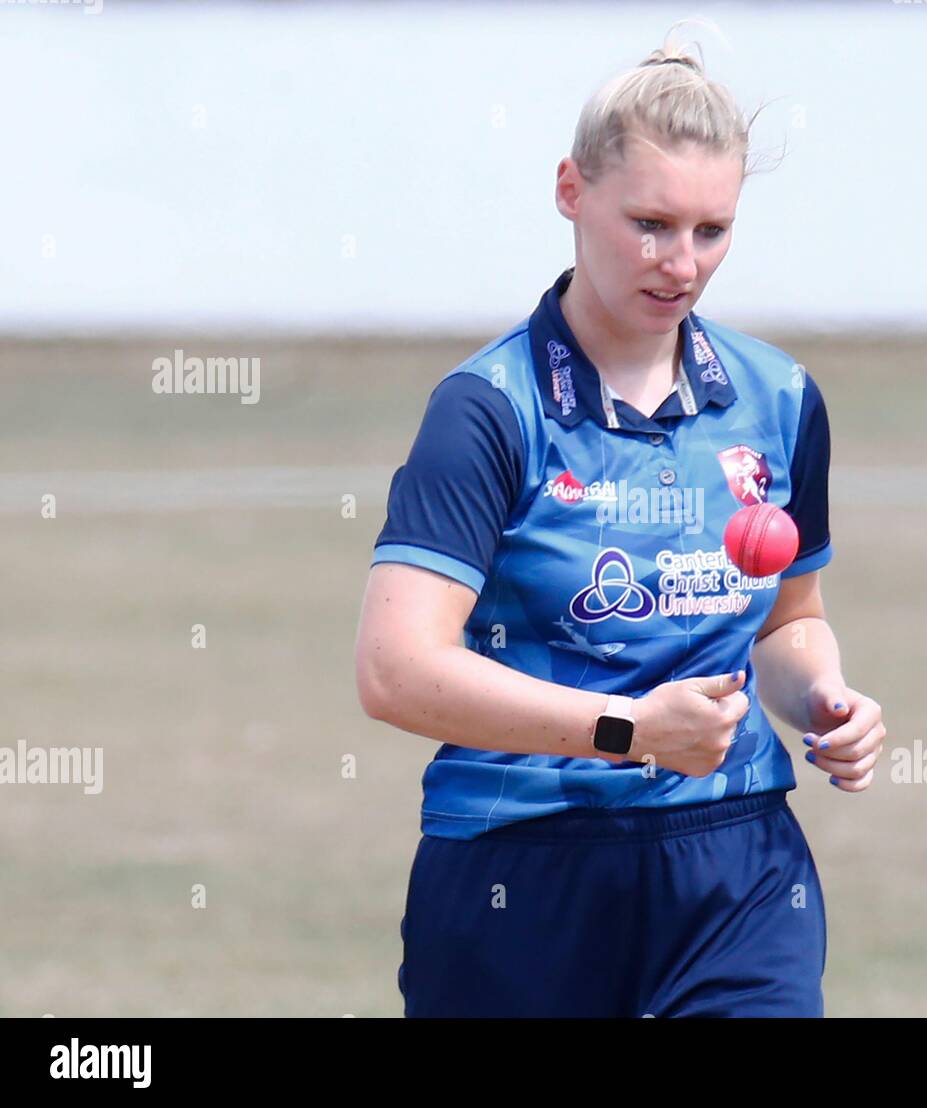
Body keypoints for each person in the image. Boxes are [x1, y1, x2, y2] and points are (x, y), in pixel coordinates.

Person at [354, 29, 886, 1018]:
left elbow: (785, 619)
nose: (680, 263)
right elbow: (394, 671)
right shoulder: (488, 410)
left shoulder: (777, 398)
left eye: (710, 230)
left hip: (738, 867)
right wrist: (628, 730)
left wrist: (821, 697)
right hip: (521, 872)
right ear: (570, 191)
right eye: (649, 223)